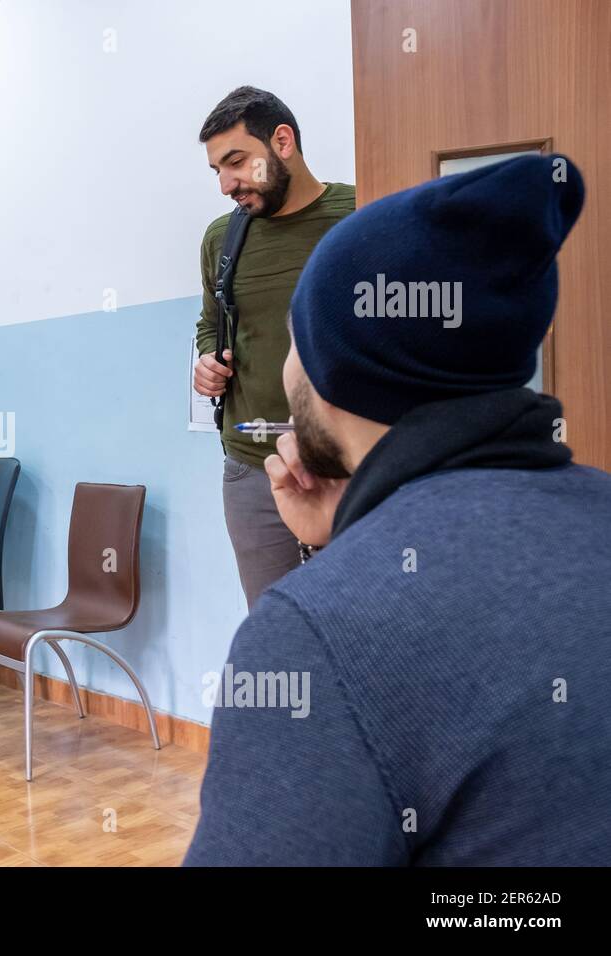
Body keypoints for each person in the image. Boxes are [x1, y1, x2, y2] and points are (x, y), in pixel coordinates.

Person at [184, 153, 610, 865]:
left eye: (296, 333)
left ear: (336, 366)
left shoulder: (314, 634)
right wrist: (352, 538)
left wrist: (335, 576)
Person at [194, 86, 355, 608]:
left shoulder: (362, 211)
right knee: (277, 633)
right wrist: (207, 361)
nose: (225, 184)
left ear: (282, 141)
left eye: (235, 161)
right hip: (252, 471)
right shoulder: (223, 239)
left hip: (351, 470)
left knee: (361, 633)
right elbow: (210, 323)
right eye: (217, 169)